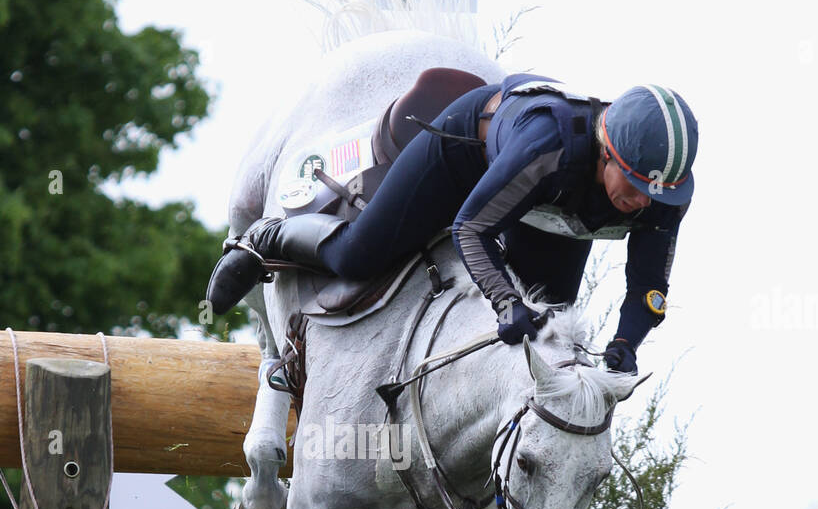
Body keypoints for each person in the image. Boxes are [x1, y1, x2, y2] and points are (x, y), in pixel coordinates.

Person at [207, 74, 698, 373]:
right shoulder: (549, 148)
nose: (639, 203)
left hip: (549, 212)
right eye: (632, 186)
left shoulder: (662, 195)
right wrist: (505, 301)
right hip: (465, 153)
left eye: (654, 193)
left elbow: (649, 289)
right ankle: (263, 237)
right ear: (606, 150)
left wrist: (624, 346)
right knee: (357, 256)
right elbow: (470, 229)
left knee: (545, 351)